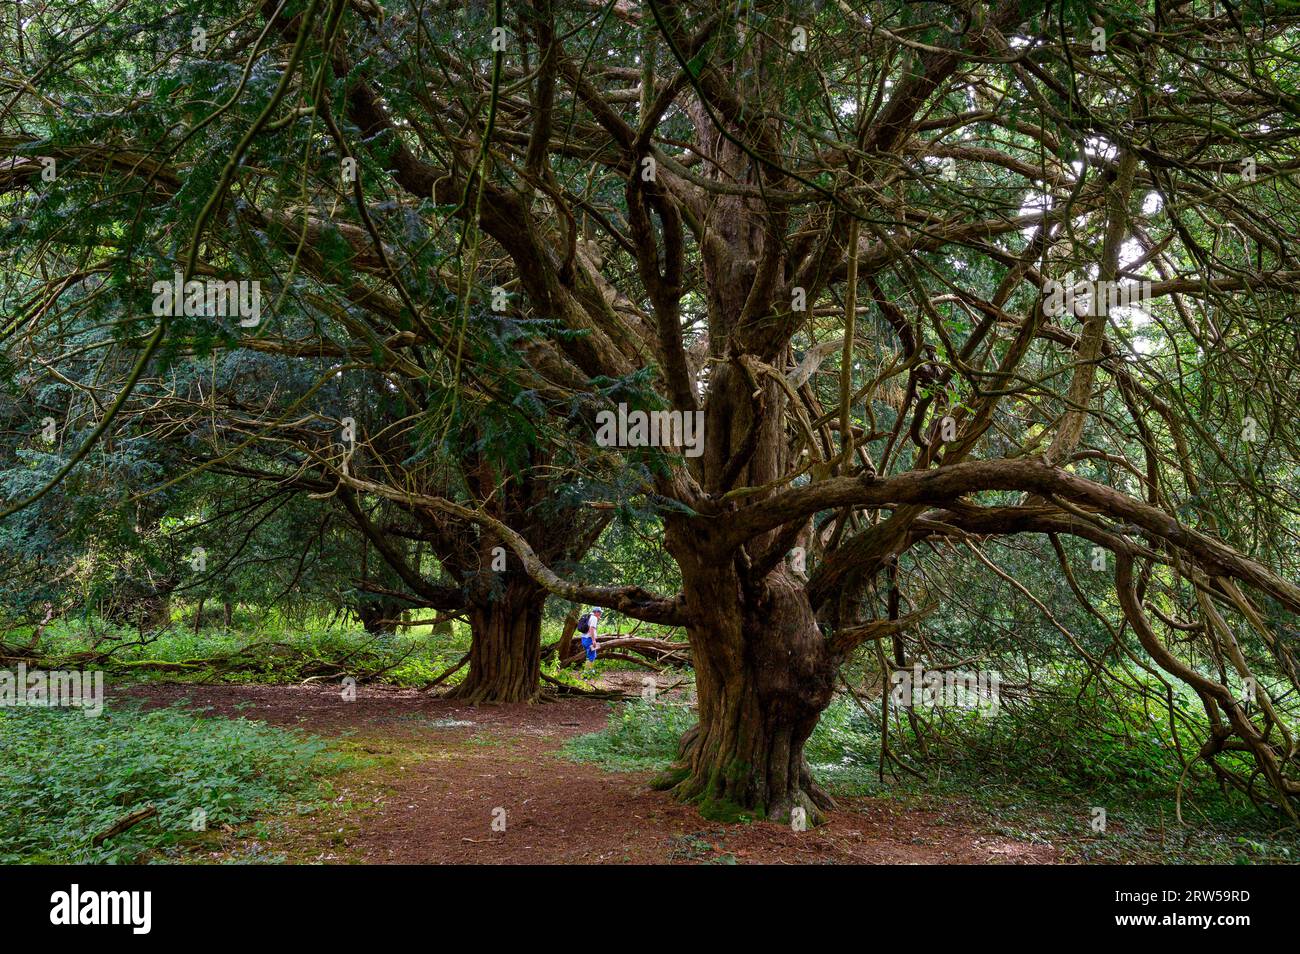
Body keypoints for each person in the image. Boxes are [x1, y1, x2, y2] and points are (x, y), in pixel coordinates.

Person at [577, 606, 603, 670]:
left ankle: (589, 671)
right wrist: (594, 640)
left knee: (589, 656)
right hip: (589, 640)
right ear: (596, 612)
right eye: (599, 612)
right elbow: (591, 629)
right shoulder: (594, 618)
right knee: (591, 656)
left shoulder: (588, 616)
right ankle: (588, 673)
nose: (600, 614)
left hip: (584, 639)